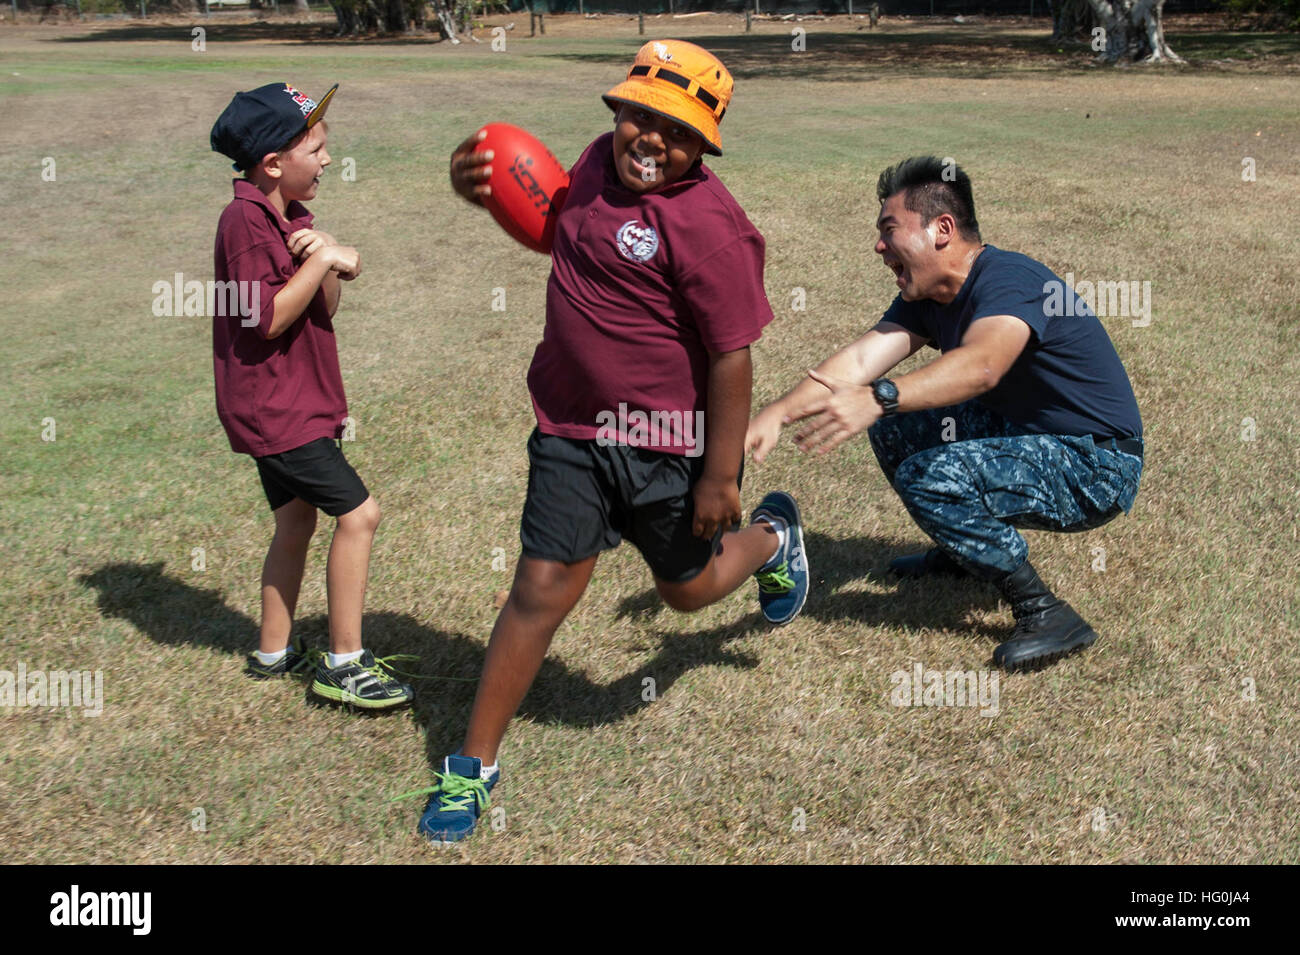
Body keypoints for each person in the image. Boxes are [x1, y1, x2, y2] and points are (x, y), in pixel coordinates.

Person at [413, 40, 809, 843]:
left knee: (687, 591)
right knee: (540, 587)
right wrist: (479, 193)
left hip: (667, 444)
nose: (651, 139)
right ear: (616, 112)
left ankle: (773, 538)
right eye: (639, 116)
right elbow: (557, 230)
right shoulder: (594, 164)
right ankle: (472, 765)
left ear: (703, 144)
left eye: (678, 130)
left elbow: (732, 354)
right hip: (570, 427)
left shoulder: (711, 226)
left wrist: (718, 474)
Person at [747, 155, 1143, 672]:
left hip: (1097, 462)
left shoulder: (1010, 280)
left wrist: (878, 396)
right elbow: (859, 361)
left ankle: (1046, 613)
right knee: (899, 428)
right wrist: (777, 412)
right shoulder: (928, 296)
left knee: (929, 473)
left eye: (889, 230)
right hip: (1029, 432)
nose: (878, 246)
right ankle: (965, 552)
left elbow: (981, 367)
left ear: (942, 229)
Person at [210, 82, 412, 710]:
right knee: (359, 515)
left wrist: (324, 259)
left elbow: (323, 308)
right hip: (275, 409)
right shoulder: (243, 221)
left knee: (295, 519)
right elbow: (266, 319)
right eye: (317, 150)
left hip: (297, 401)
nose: (327, 160)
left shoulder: (290, 218)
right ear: (273, 164)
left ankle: (273, 650)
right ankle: (344, 664)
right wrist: (323, 260)